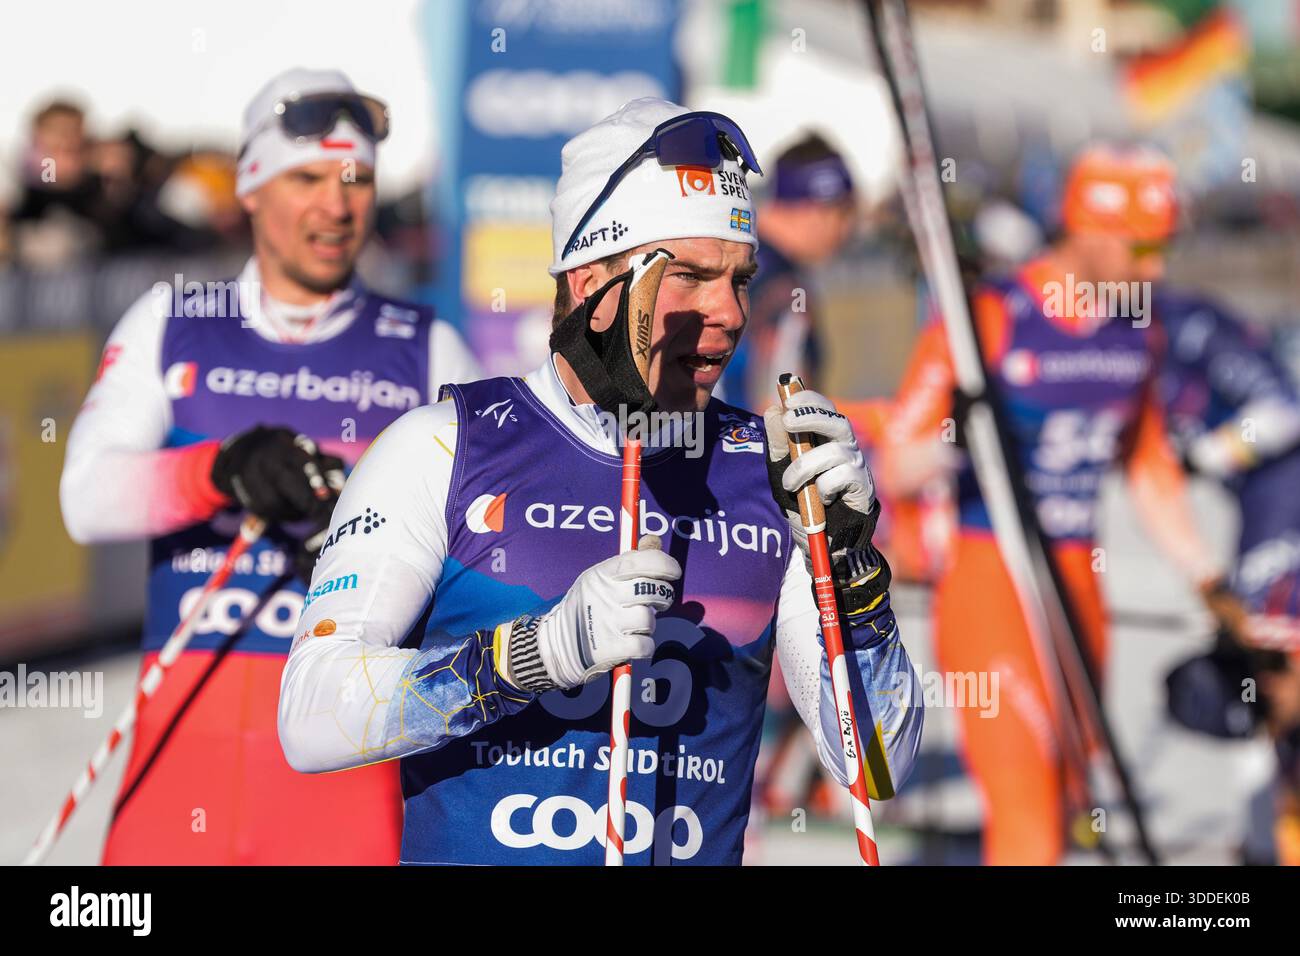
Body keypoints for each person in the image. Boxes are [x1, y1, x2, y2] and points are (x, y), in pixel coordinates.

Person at [278, 97, 922, 865]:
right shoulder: (445, 446)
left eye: (740, 279)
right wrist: (535, 655)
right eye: (687, 275)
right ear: (590, 283)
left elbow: (877, 766)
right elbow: (310, 715)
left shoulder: (769, 474)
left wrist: (851, 572)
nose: (727, 312)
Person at [58, 67, 481, 865]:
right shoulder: (175, 321)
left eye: (357, 179)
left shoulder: (424, 346)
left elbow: (481, 543)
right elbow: (85, 498)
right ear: (251, 188)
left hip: (342, 766)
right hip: (183, 757)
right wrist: (217, 473)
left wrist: (368, 516)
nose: (337, 203)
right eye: (308, 178)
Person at [880, 144, 1224, 865]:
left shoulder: (1139, 330)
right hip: (988, 583)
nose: (1155, 268)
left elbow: (1149, 464)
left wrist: (1208, 580)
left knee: (1068, 799)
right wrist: (962, 436)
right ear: (1091, 231)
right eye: (1143, 247)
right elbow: (897, 462)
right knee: (1024, 804)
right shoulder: (990, 320)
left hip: (1077, 582)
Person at [1153, 286, 1300, 865]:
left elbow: (1283, 413)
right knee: (1212, 689)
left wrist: (1201, 456)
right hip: (1258, 507)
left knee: (1260, 657)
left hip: (1280, 496)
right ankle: (1269, 837)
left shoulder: (1187, 325)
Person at [717, 133, 856, 411]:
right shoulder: (785, 290)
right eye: (846, 213)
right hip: (751, 446)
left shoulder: (726, 250)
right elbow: (787, 409)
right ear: (821, 209)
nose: (849, 229)